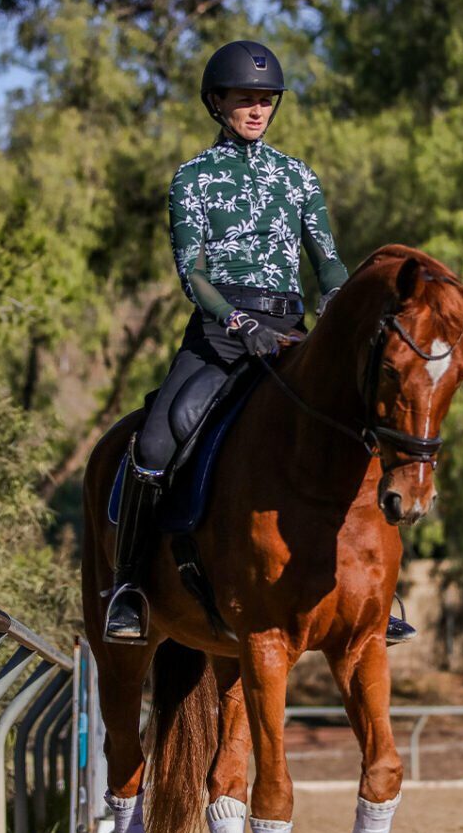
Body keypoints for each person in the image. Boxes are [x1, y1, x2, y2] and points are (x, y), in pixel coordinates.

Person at [104, 40, 416, 648]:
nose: (256, 109)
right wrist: (233, 320)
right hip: (219, 335)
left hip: (289, 331)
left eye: (265, 100)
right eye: (245, 99)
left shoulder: (297, 176)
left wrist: (335, 300)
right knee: (156, 440)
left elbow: (326, 260)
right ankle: (129, 586)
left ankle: (378, 587)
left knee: (372, 426)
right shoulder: (192, 179)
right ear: (217, 103)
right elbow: (190, 271)